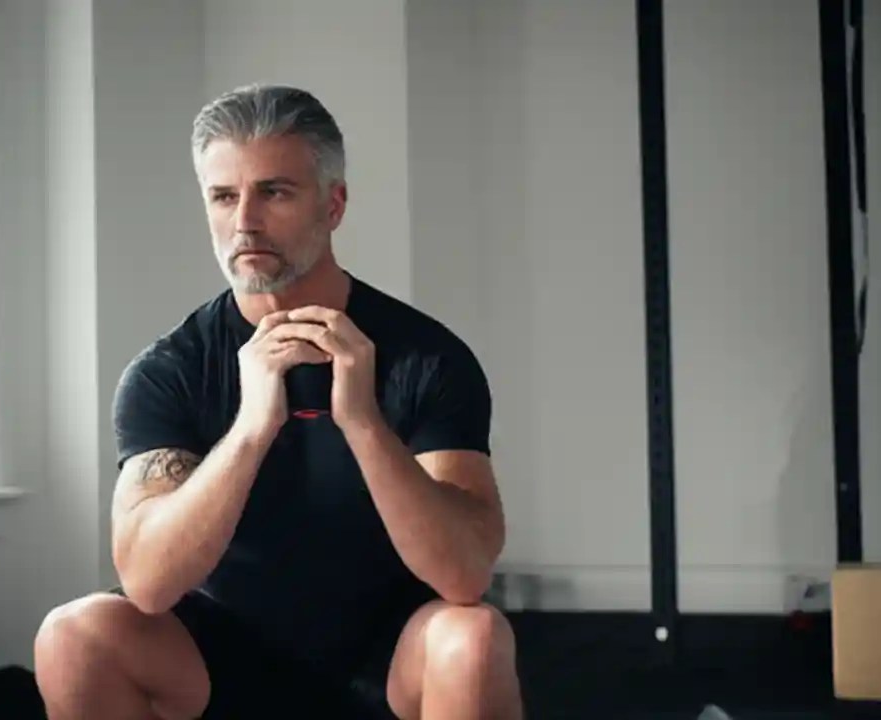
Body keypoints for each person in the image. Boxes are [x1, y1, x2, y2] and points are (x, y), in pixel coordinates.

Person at [33, 84, 523, 720]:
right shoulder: (169, 371)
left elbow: (464, 576)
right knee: (74, 635)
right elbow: (149, 582)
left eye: (275, 192)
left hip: (390, 655)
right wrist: (252, 427)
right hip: (220, 656)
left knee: (475, 637)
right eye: (224, 196)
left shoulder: (426, 358)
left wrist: (363, 423)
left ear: (334, 204)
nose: (245, 221)